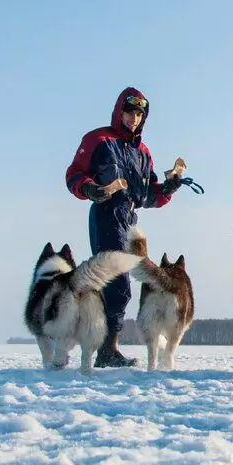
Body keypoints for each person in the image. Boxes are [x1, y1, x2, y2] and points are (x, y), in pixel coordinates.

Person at [65, 87, 182, 367]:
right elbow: (74, 174)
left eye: (140, 114)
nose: (134, 118)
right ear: (120, 111)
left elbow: (148, 196)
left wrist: (169, 187)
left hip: (129, 221)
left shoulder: (143, 153)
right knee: (117, 284)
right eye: (130, 112)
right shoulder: (99, 139)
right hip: (106, 215)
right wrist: (89, 188)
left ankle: (95, 342)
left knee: (120, 285)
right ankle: (106, 350)